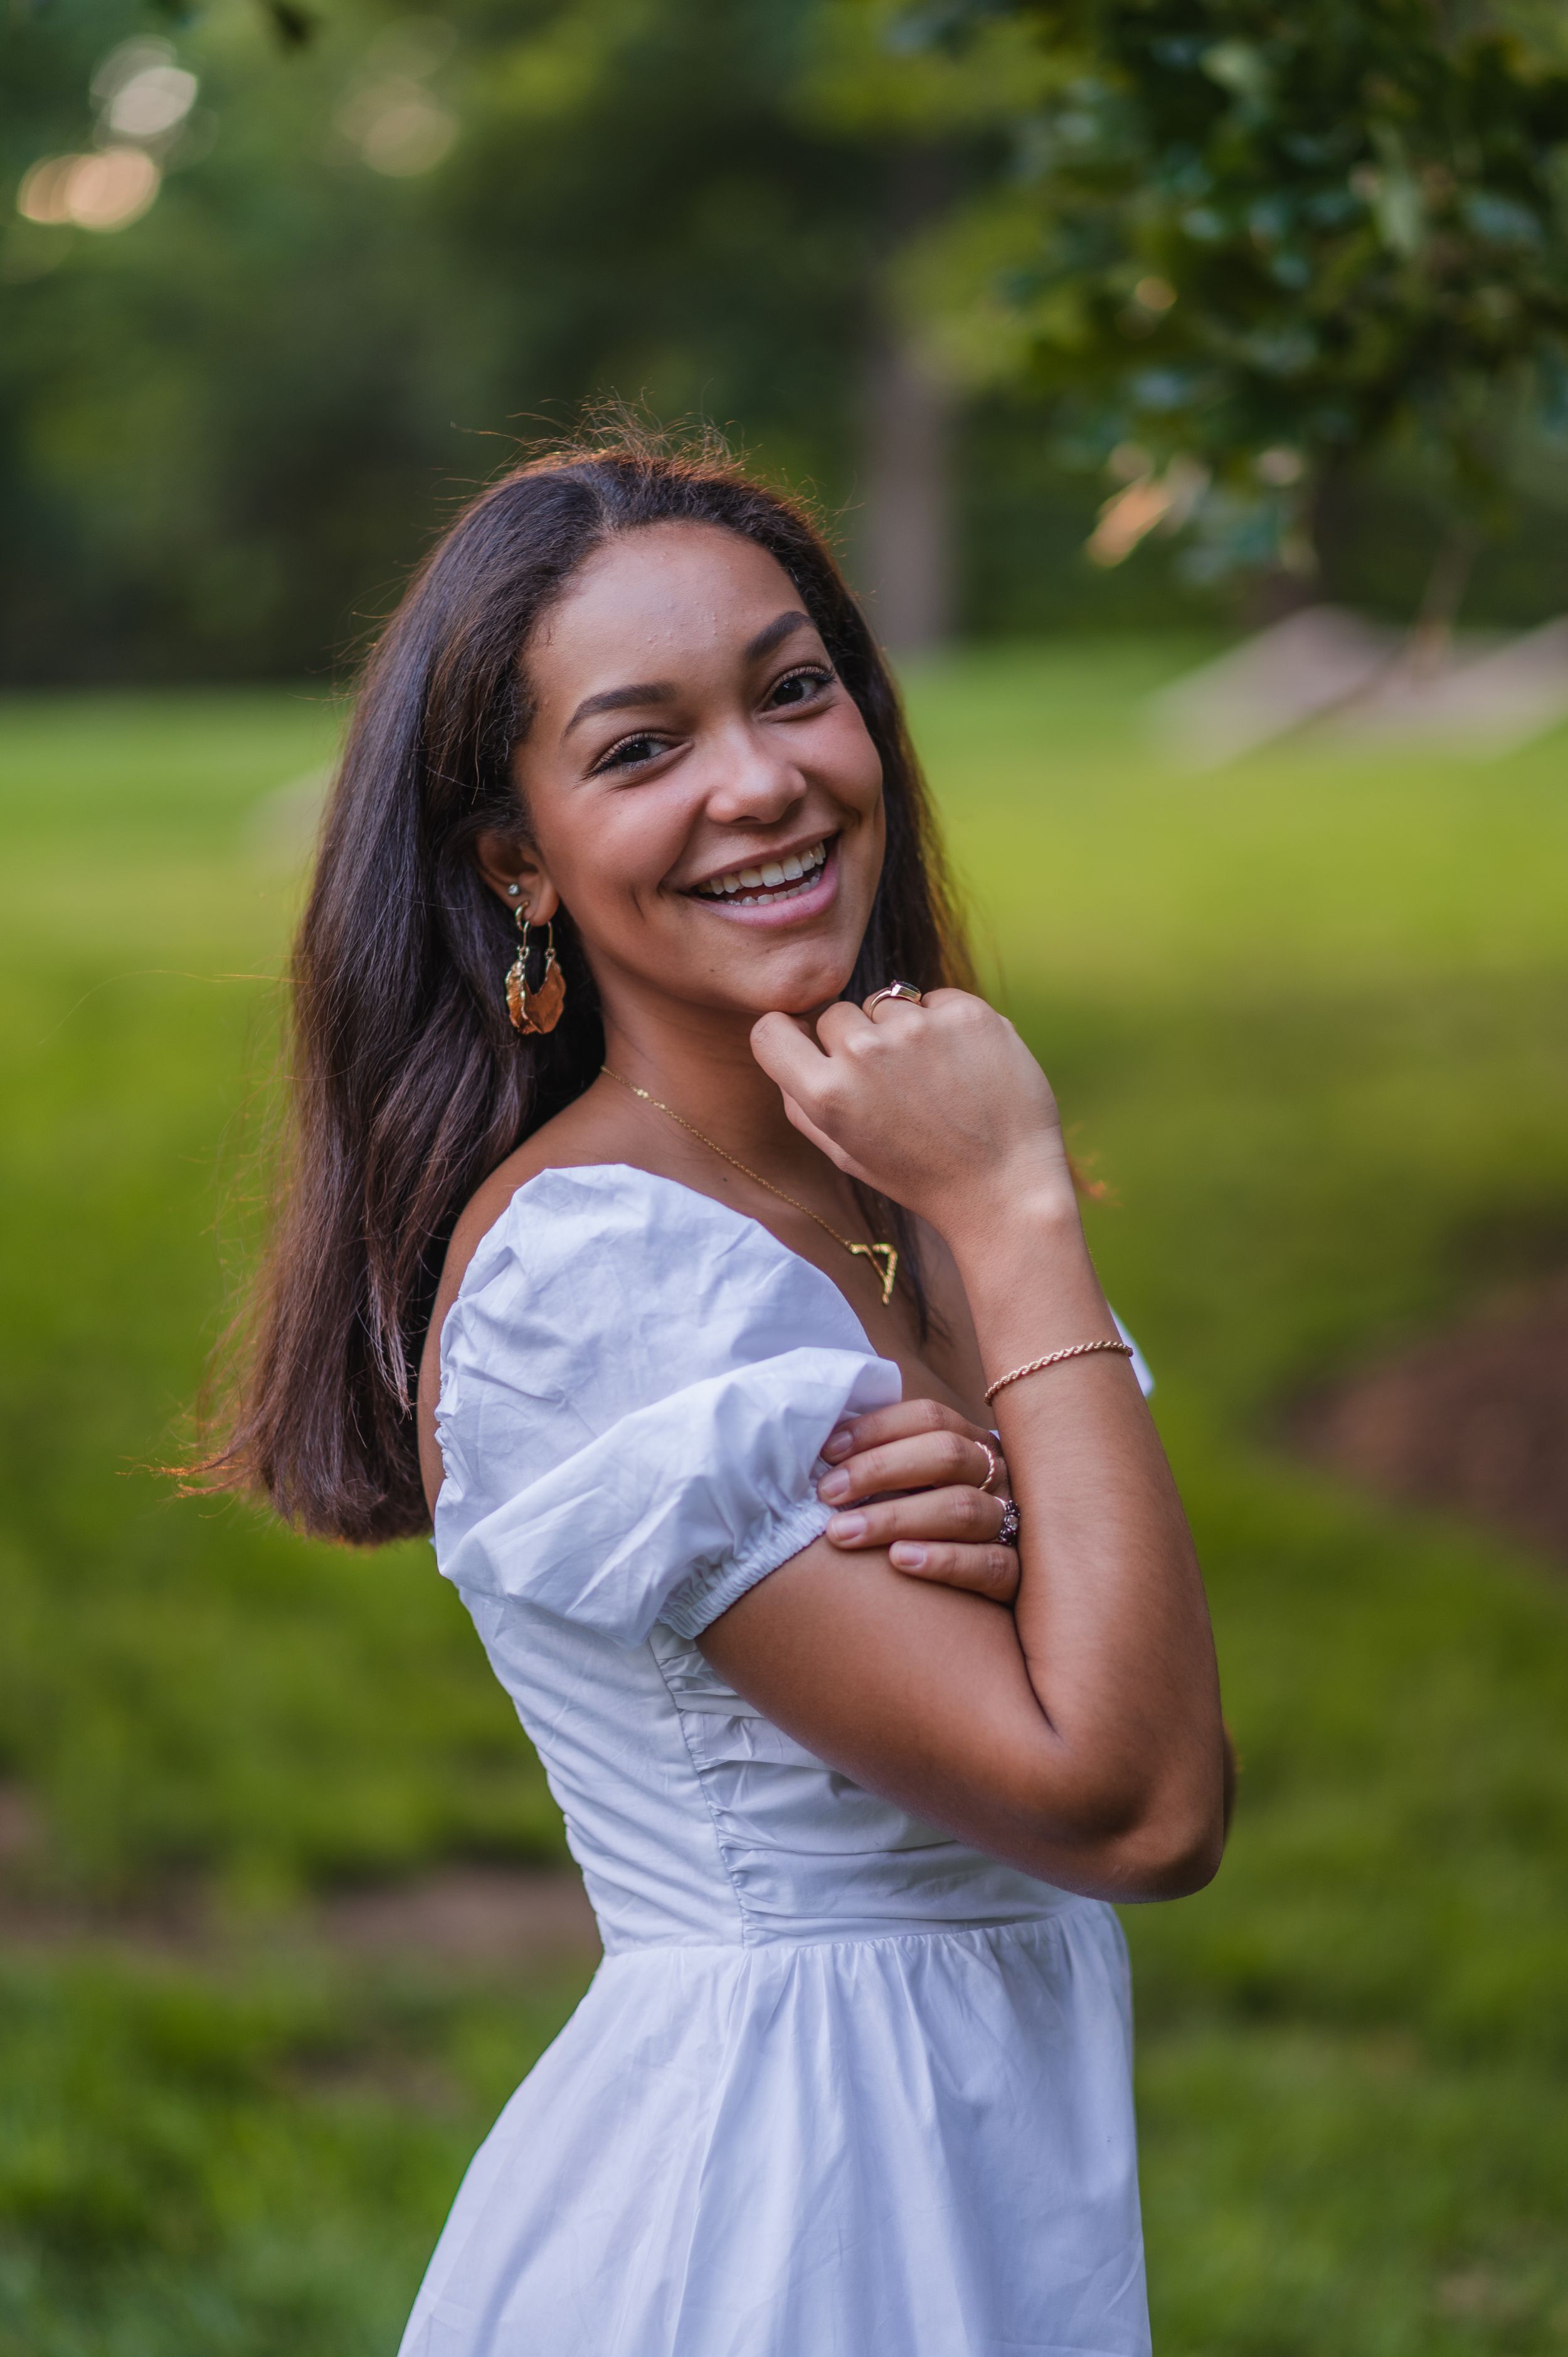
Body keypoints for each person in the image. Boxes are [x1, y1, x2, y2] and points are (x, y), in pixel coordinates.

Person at [205, 435, 1228, 2356]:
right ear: (517, 858)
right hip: (784, 2216)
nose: (759, 782)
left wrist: (998, 1359)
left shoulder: (877, 1189)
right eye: (637, 746)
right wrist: (1019, 1221)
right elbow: (1134, 1803)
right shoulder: (606, 1284)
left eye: (792, 687)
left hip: (983, 2160)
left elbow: (1119, 1668)